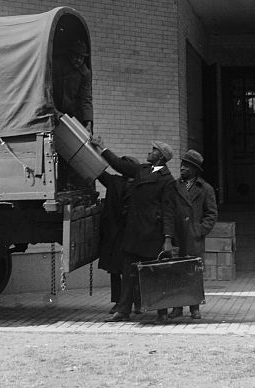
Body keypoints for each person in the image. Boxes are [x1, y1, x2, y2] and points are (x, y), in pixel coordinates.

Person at [93, 138, 177, 323]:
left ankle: (161, 312)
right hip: (134, 233)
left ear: (161, 157)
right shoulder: (142, 170)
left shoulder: (168, 180)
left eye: (154, 150)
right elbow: (119, 165)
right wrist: (102, 147)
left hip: (152, 235)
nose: (150, 152)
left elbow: (169, 211)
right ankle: (123, 311)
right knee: (128, 272)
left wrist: (168, 238)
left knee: (155, 275)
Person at [169, 149, 217, 320]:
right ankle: (176, 307)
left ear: (195, 170)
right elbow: (168, 210)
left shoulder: (205, 189)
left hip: (194, 238)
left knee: (193, 273)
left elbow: (211, 214)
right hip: (177, 236)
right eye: (182, 165)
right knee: (176, 272)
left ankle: (194, 307)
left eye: (187, 166)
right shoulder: (174, 186)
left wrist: (200, 231)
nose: (182, 168)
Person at [96, 170, 133, 313]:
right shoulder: (139, 185)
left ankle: (119, 302)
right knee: (129, 270)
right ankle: (133, 302)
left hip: (114, 236)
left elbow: (100, 173)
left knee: (115, 271)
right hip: (129, 236)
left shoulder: (114, 182)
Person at [52, 39, 93, 133]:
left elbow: (86, 99)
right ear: (69, 54)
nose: (79, 60)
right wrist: (54, 111)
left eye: (81, 57)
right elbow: (46, 90)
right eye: (76, 56)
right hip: (53, 110)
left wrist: (88, 122)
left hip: (70, 114)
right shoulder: (56, 65)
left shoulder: (85, 73)